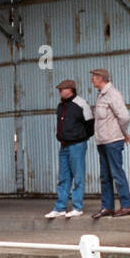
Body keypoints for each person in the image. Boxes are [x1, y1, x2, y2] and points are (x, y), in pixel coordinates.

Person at [46, 79, 94, 219]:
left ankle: (77, 207)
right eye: (59, 89)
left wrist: (81, 138)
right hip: (64, 145)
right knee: (63, 177)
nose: (60, 91)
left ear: (70, 90)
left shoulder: (81, 104)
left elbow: (90, 124)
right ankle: (60, 207)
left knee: (78, 176)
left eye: (62, 89)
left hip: (77, 145)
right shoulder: (61, 105)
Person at [90, 67, 130, 219]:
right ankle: (107, 207)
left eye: (94, 77)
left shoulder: (112, 94)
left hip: (113, 140)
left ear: (101, 78)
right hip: (102, 141)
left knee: (117, 173)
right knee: (105, 176)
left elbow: (124, 117)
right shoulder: (101, 96)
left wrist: (123, 132)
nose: (92, 79)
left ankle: (126, 206)